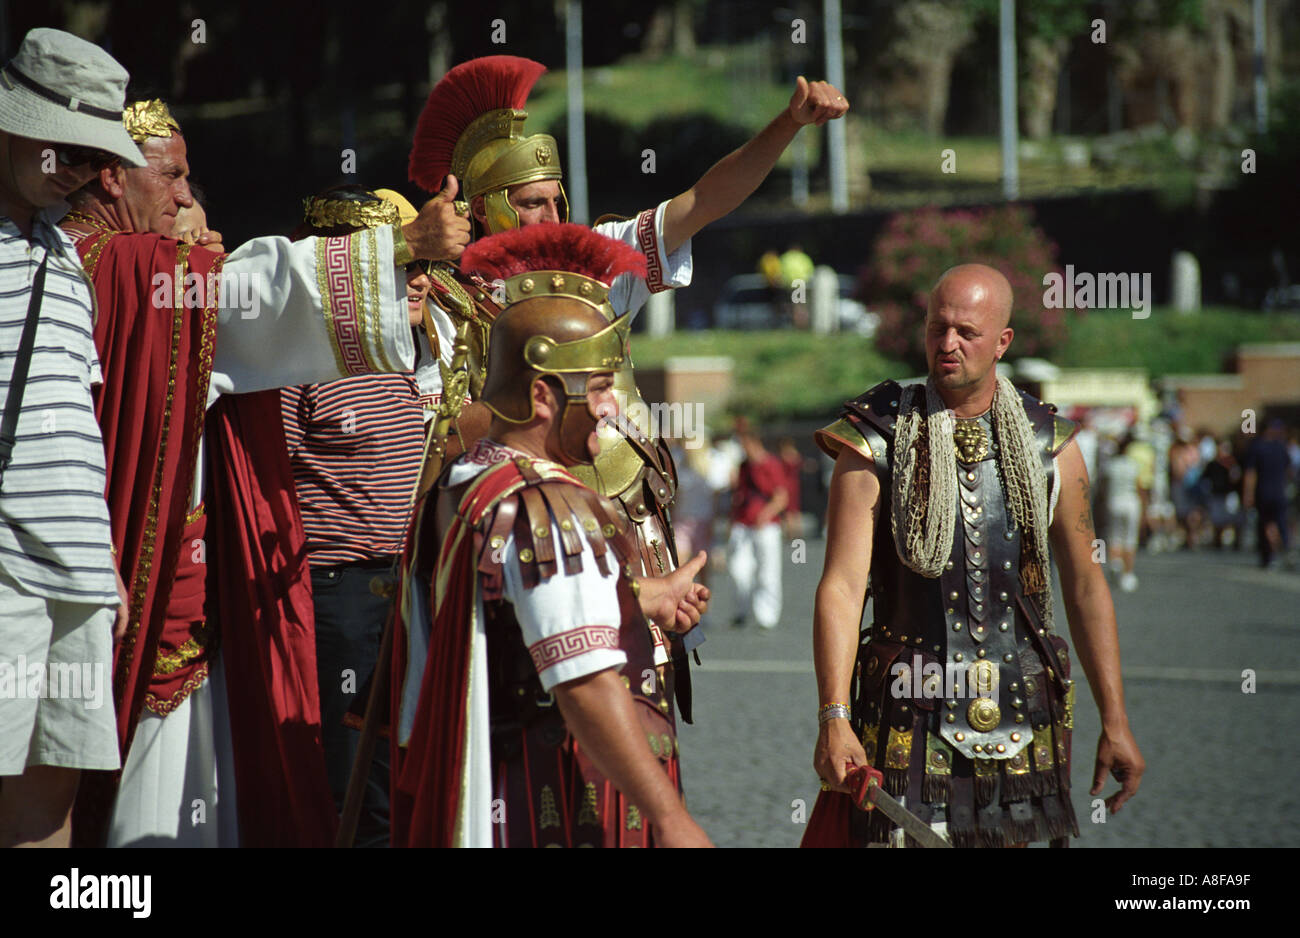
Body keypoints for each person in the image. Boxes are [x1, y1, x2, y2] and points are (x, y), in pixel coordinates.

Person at [59, 98, 468, 847]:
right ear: (113, 179)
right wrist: (403, 242)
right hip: (127, 594)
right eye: (172, 176)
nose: (186, 196)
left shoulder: (119, 265)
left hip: (182, 592)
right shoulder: (120, 269)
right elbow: (252, 290)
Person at [405, 53, 849, 723]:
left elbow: (703, 203)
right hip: (514, 529)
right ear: (486, 207)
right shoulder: (439, 298)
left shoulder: (597, 260)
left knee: (642, 710)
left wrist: (786, 127)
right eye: (531, 202)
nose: (552, 214)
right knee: (528, 724)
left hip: (621, 514)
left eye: (557, 198)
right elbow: (433, 436)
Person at [393, 224, 711, 847]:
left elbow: (505, 614)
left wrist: (634, 597)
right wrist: (672, 820)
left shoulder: (467, 479)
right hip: (553, 801)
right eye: (595, 389)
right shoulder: (549, 507)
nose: (611, 408)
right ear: (542, 394)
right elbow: (583, 683)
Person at [810, 264, 1144, 846]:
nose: (947, 344)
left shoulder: (1052, 446)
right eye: (937, 328)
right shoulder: (874, 438)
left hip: (1024, 710)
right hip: (906, 715)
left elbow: (1086, 584)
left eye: (967, 332)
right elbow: (840, 586)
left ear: (1003, 342)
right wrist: (834, 718)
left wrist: (1114, 719)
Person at [0, 27, 145, 848]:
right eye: (76, 153)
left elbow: (75, 421)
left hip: (79, 573)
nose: (93, 174)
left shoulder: (67, 253)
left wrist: (105, 561)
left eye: (99, 159)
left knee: (50, 805)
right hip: (5, 569)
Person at [281, 186, 433, 847]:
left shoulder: (398, 353)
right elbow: (270, 480)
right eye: (395, 266)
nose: (411, 281)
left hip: (405, 590)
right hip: (340, 595)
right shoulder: (295, 360)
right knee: (350, 786)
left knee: (400, 776)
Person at [728, 430, 788, 630]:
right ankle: (741, 609)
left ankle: (767, 616)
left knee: (768, 571)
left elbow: (781, 497)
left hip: (766, 525)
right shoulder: (744, 466)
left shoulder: (770, 464)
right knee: (738, 568)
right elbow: (738, 495)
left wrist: (765, 513)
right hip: (743, 522)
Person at [1244, 419, 1294, 569]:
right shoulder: (1281, 447)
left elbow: (1250, 473)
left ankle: (1268, 556)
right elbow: (1289, 471)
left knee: (1265, 523)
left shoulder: (1257, 447)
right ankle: (1286, 551)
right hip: (1279, 492)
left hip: (1264, 492)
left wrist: (1248, 493)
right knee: (1281, 523)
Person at [1101, 432, 1142, 592]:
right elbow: (1140, 487)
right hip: (1131, 502)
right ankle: (1128, 574)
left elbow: (1104, 487)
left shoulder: (1111, 465)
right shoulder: (1133, 465)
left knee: (1114, 536)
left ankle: (1115, 563)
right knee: (1130, 539)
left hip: (1114, 501)